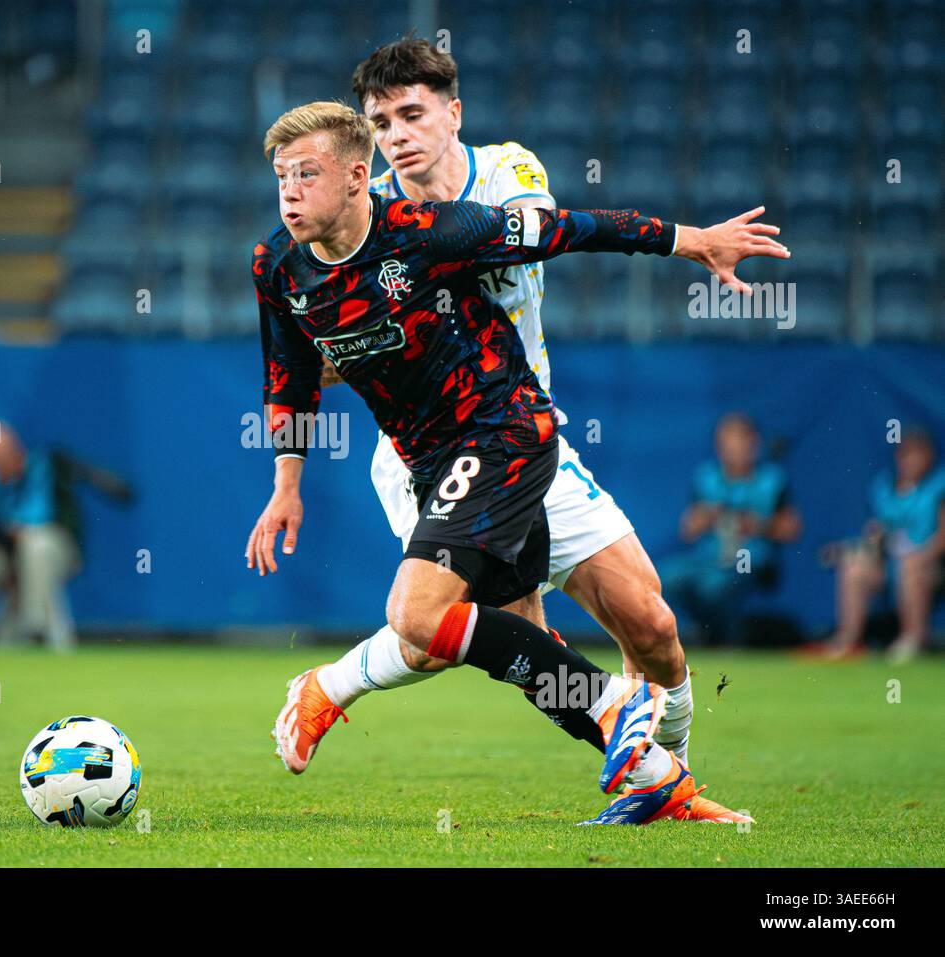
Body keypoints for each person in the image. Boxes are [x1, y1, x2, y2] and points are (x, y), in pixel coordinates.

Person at [246, 101, 786, 823]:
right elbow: (288, 376)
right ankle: (663, 782)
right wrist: (287, 486)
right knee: (515, 644)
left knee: (416, 612)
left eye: (305, 172)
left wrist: (693, 243)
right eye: (281, 175)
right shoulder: (274, 264)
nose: (288, 189)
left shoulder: (434, 233)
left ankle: (621, 706)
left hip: (505, 429)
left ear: (355, 176)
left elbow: (575, 230)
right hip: (430, 461)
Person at [660, 413, 803, 645]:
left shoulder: (771, 480)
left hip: (748, 557)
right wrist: (708, 517)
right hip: (707, 557)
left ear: (754, 445)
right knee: (666, 577)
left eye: (739, 443)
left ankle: (730, 640)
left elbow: (792, 529)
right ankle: (708, 630)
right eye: (726, 444)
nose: (732, 450)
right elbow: (687, 529)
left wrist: (758, 525)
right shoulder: (706, 477)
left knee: (715, 586)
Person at [0, 423, 82, 649]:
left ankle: (35, 627)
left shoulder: (42, 467)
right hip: (6, 553)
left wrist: (15, 529)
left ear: (15, 451)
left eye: (0, 460)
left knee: (35, 541)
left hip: (54, 551)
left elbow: (40, 515)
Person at [821, 427, 944, 662]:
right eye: (906, 454)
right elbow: (878, 533)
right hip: (889, 564)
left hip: (930, 565)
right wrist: (867, 547)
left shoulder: (939, 486)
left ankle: (914, 639)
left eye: (919, 453)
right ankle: (848, 639)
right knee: (854, 567)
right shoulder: (884, 488)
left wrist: (919, 558)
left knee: (911, 567)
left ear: (930, 456)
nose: (912, 460)